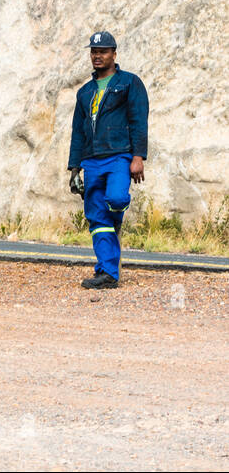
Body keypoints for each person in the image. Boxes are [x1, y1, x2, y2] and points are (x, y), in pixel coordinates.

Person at [68, 31, 148, 289]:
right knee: (96, 219)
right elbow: (78, 132)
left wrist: (138, 157)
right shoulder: (85, 92)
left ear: (114, 54)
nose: (97, 56)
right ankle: (107, 274)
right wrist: (74, 168)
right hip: (91, 160)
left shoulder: (129, 83)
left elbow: (138, 121)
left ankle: (116, 221)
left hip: (119, 156)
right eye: (93, 51)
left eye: (102, 51)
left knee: (115, 199)